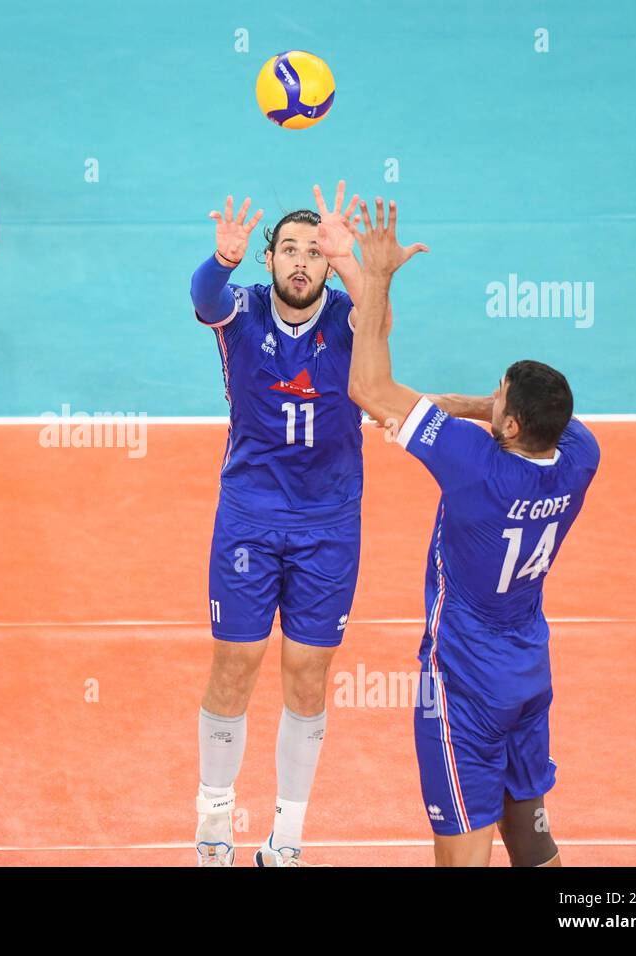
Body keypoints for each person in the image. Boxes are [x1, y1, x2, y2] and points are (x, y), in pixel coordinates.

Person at [345, 195, 600, 867]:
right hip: (528, 672)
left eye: (497, 397)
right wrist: (465, 409)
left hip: (463, 683)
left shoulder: (474, 468)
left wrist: (378, 281)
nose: (489, 399)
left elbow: (368, 386)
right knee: (532, 839)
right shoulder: (579, 458)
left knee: (464, 849)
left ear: (509, 426)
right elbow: (533, 419)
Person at [189, 182, 373, 866]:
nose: (301, 262)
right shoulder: (241, 311)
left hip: (329, 522)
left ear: (326, 264)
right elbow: (204, 298)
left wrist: (352, 260)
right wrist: (222, 259)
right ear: (268, 260)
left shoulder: (349, 318)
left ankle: (286, 837)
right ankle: (212, 825)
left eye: (313, 253)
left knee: (306, 676)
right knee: (234, 666)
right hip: (250, 516)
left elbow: (381, 318)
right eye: (288, 250)